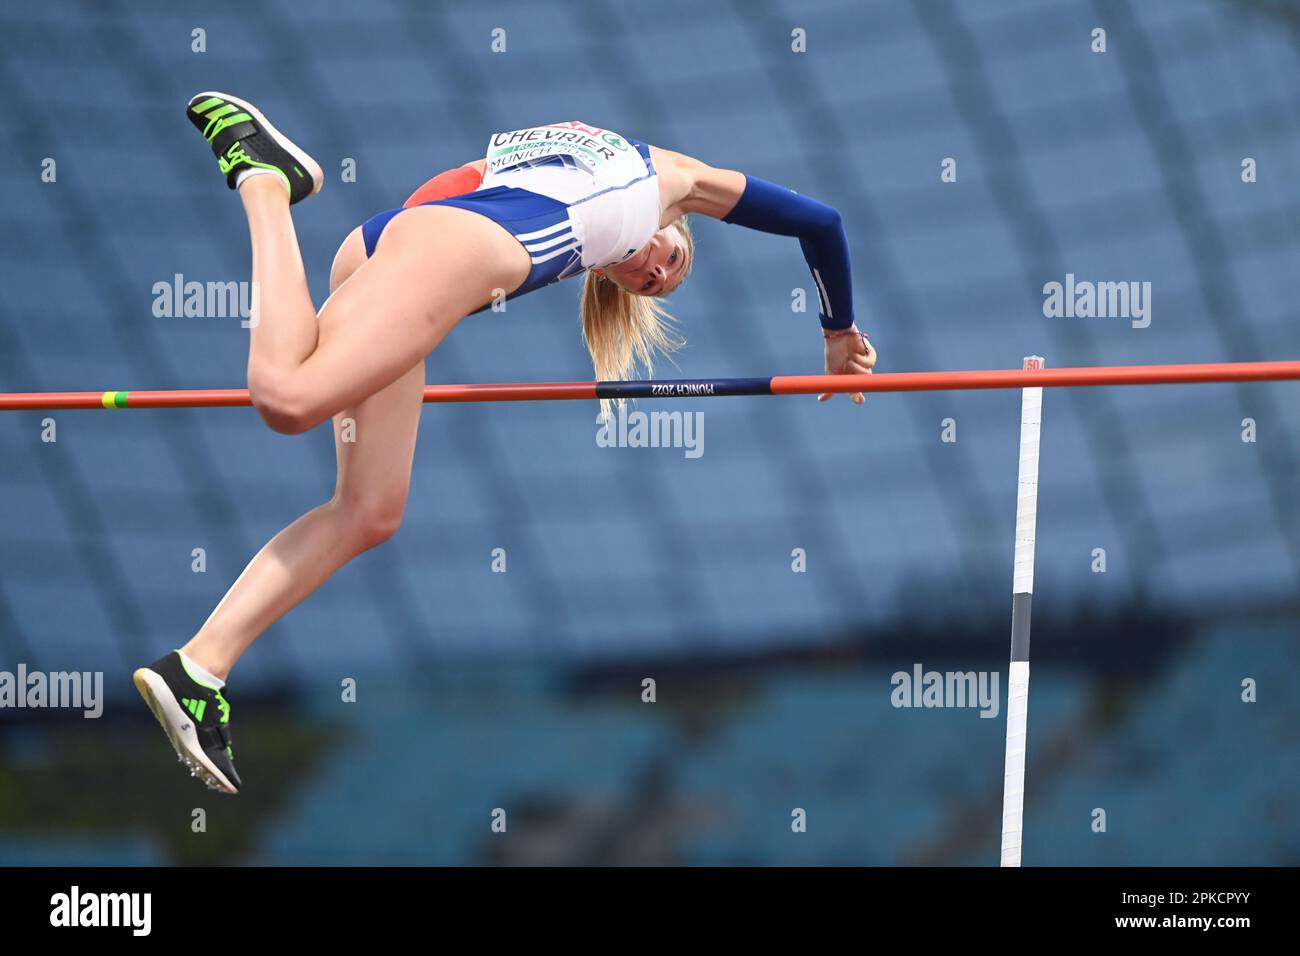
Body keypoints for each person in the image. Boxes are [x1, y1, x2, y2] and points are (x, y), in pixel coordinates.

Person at [133, 92, 877, 793]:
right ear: (682, 228)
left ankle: (201, 666)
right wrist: (839, 333)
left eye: (650, 284)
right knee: (287, 400)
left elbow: (463, 177)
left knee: (369, 510)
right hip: (449, 254)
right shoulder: (678, 179)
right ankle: (266, 182)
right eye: (670, 261)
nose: (653, 270)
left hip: (415, 244)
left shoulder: (568, 160)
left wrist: (405, 243)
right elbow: (821, 222)